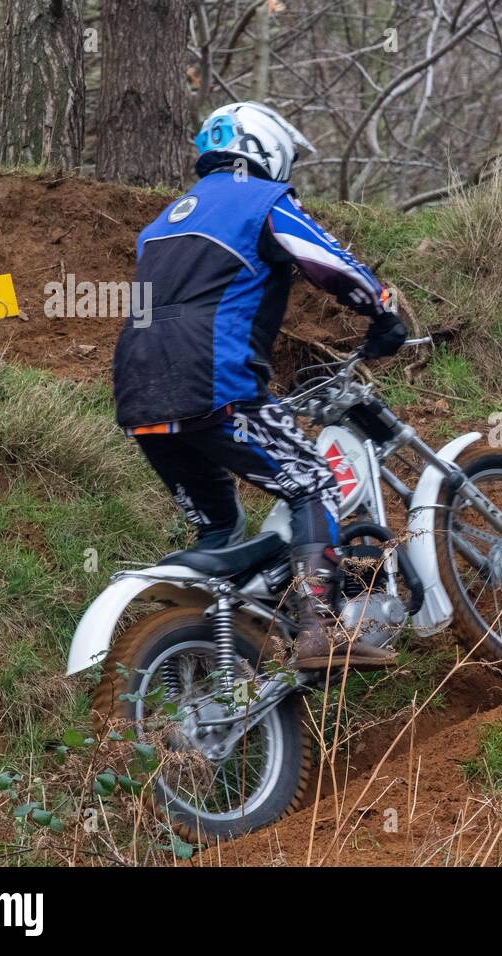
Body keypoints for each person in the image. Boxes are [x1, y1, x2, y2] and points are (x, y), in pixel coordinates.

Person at [111, 101, 407, 669]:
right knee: (313, 483)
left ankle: (219, 639)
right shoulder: (262, 200)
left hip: (142, 399)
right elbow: (327, 262)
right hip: (219, 390)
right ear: (265, 148)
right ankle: (319, 630)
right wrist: (382, 308)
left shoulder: (160, 225)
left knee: (221, 527)